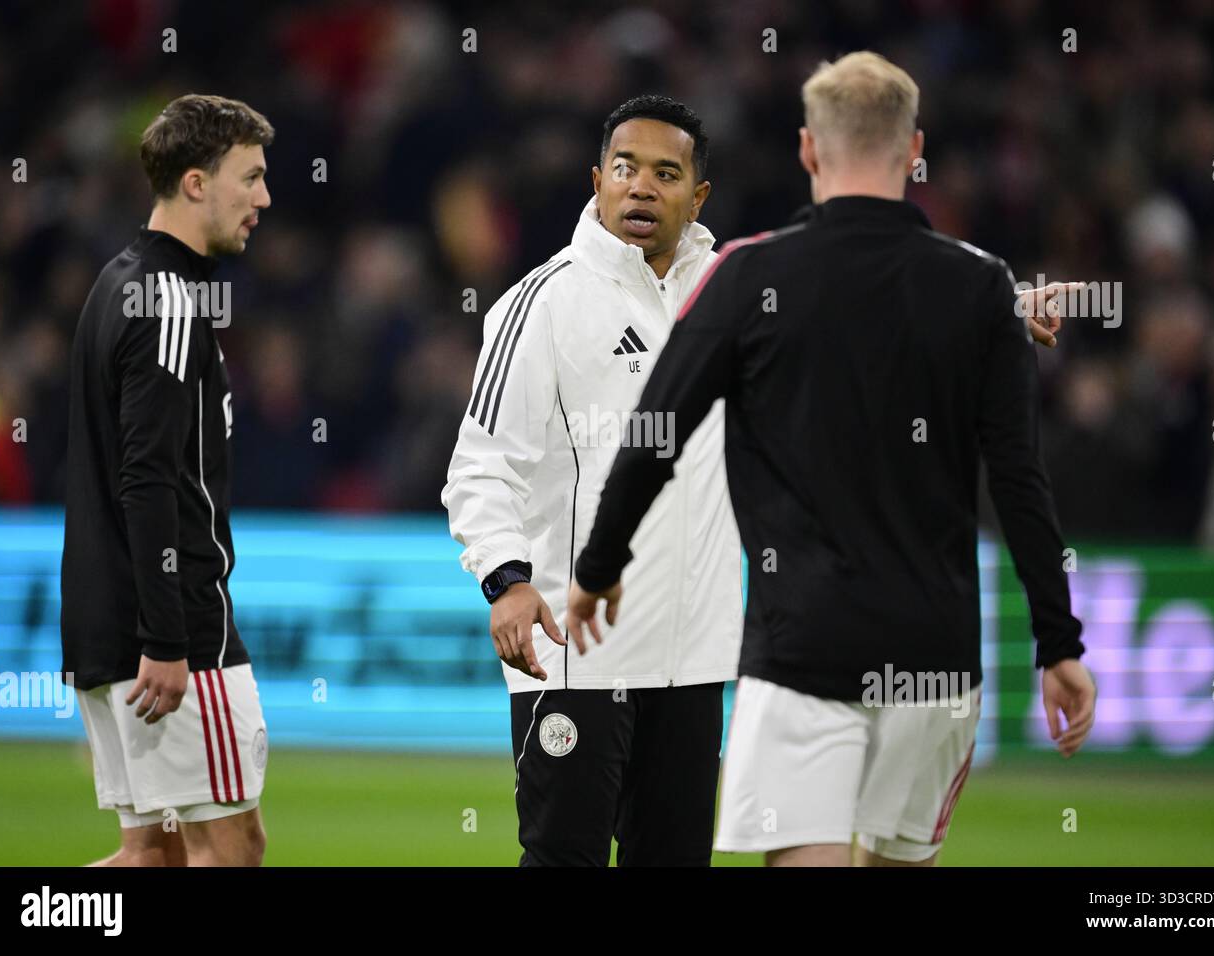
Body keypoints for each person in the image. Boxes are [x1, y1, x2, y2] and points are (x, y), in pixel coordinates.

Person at [568, 52, 1096, 868]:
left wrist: (600, 564)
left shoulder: (749, 275)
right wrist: (1058, 644)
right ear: (913, 148)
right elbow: (1021, 482)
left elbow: (655, 433)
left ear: (810, 149)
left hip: (800, 647)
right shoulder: (981, 287)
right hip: (933, 657)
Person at [442, 95, 741, 866]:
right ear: (597, 181)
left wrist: (998, 311)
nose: (642, 187)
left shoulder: (735, 297)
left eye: (666, 173)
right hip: (577, 658)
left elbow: (856, 319)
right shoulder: (541, 304)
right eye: (625, 168)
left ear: (697, 195)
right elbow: (481, 464)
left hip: (695, 663)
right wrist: (506, 580)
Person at [61, 93, 273, 867]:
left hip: (106, 621)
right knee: (232, 847)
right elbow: (148, 478)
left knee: (154, 854)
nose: (263, 199)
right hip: (172, 629)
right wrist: (166, 637)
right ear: (195, 183)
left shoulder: (117, 284)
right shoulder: (170, 303)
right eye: (248, 178)